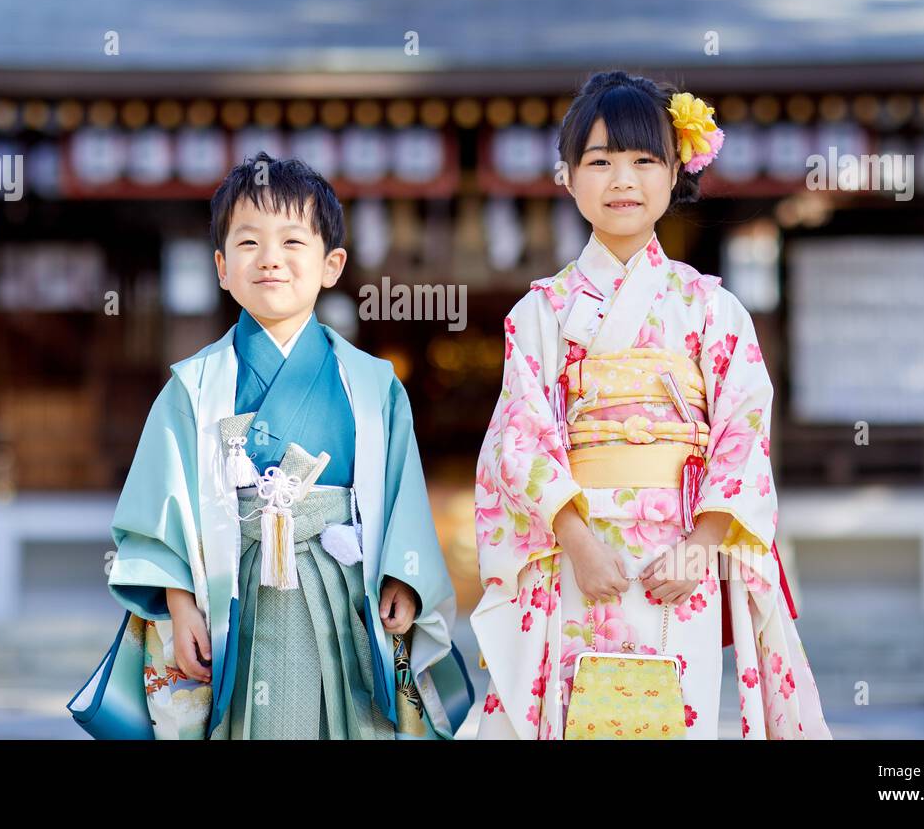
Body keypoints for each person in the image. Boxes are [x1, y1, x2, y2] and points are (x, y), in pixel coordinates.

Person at [471, 71, 831, 740]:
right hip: (575, 553)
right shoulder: (541, 313)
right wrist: (579, 543)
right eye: (599, 161)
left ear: (674, 175)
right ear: (569, 177)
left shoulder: (712, 310)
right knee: (576, 716)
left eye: (644, 160)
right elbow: (519, 439)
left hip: (680, 555)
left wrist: (702, 544)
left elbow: (742, 432)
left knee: (672, 717)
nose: (622, 180)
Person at [107, 152, 472, 739]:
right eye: (249, 244)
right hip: (237, 592)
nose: (271, 259)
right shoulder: (194, 387)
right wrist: (179, 602)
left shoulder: (374, 383)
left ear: (332, 265)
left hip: (343, 590)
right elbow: (161, 508)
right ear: (222, 268)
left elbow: (402, 496)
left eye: (292, 242)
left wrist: (404, 577)